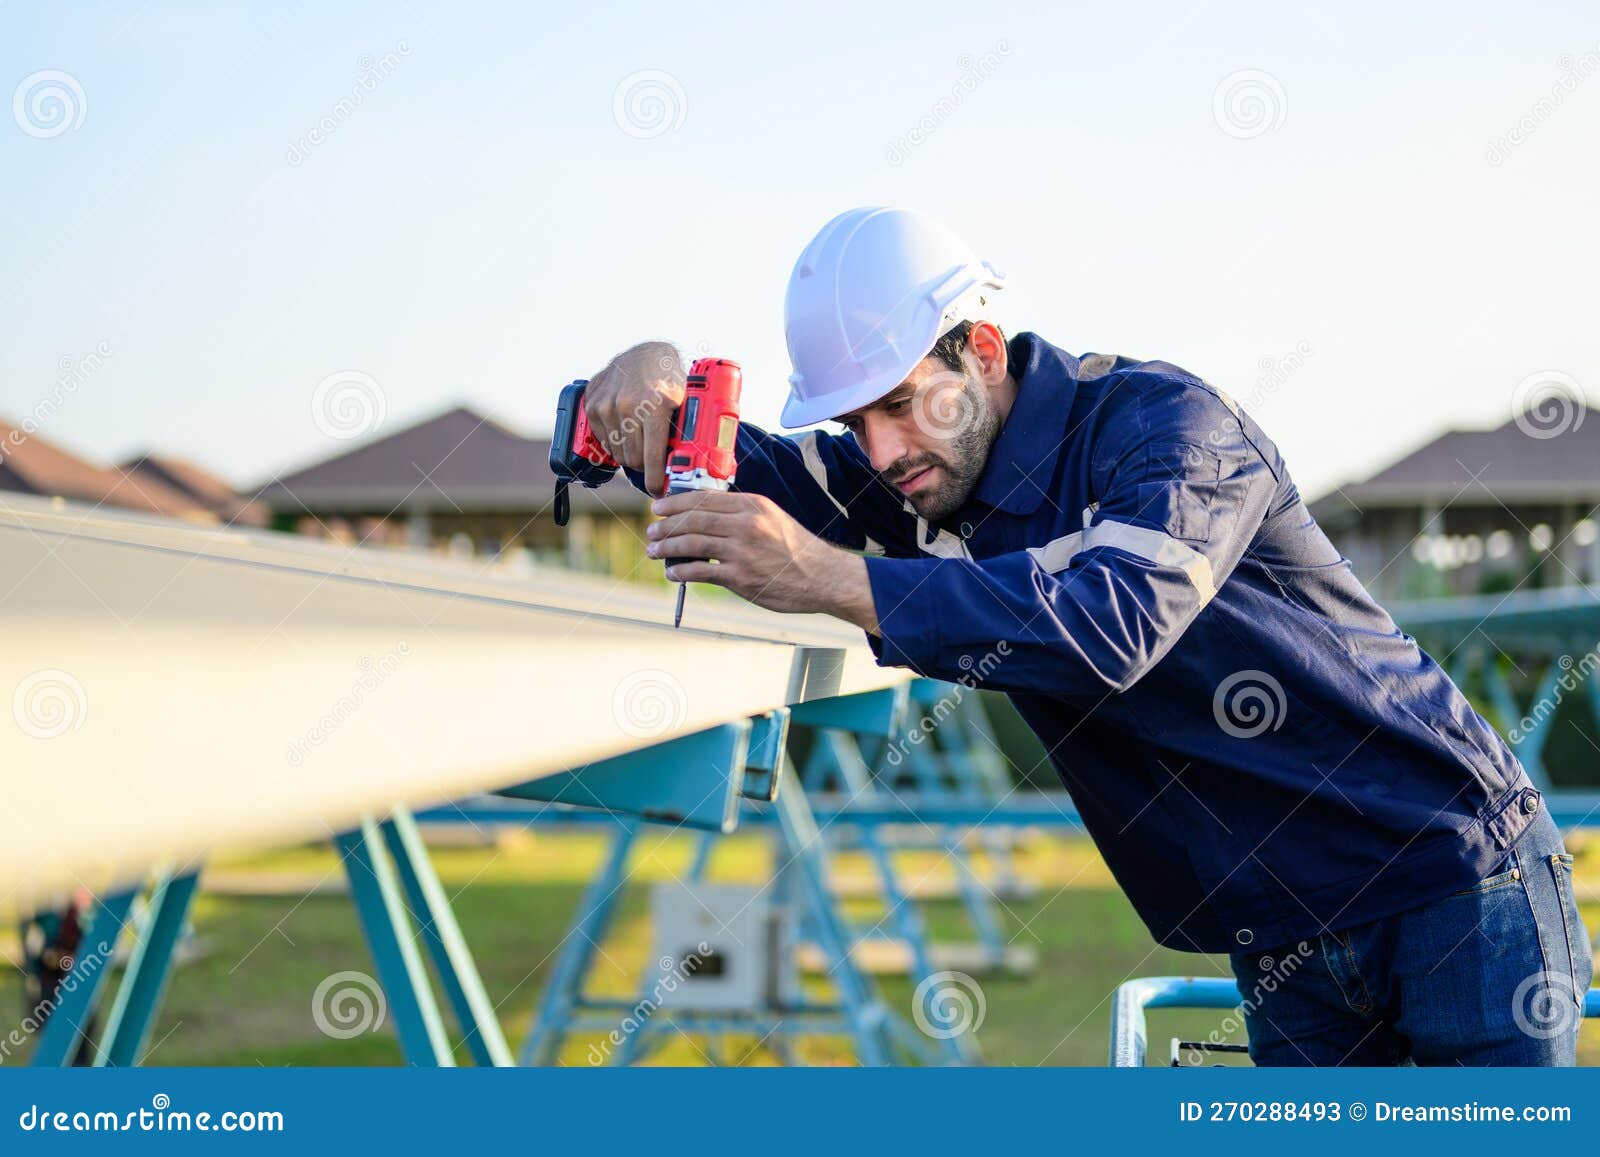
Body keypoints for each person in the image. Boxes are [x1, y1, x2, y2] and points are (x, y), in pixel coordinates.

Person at [582, 206, 1593, 1065]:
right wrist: (652, 386)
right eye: (853, 423)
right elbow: (721, 463)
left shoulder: (1167, 428)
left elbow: (1113, 623)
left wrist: (831, 578)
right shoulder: (924, 474)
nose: (879, 451)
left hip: (1452, 878)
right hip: (1285, 922)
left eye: (898, 403)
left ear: (979, 351)